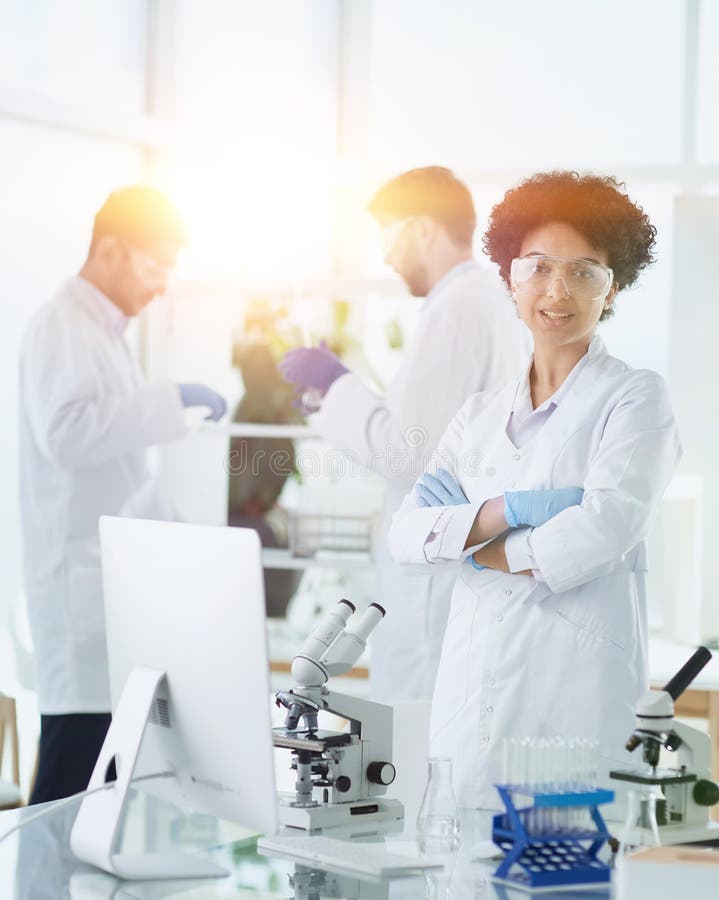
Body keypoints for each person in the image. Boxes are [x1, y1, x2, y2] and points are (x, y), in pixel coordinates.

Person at [388, 171, 681, 808]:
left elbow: (606, 527)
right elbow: (406, 535)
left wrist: (477, 542)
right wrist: (508, 512)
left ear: (614, 287)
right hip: (468, 707)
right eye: (539, 268)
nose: (557, 291)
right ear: (510, 277)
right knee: (458, 847)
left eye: (584, 272)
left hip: (571, 711)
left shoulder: (634, 398)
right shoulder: (477, 416)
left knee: (564, 858)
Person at [279, 166, 529, 701]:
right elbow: (431, 431)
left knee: (417, 728)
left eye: (387, 237)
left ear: (422, 229)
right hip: (459, 560)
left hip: (435, 582)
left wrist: (337, 384)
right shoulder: (486, 299)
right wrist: (336, 394)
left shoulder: (456, 309)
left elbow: (407, 451)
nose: (386, 257)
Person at [19, 186, 227, 804]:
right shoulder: (61, 323)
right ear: (110, 250)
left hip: (111, 592)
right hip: (78, 595)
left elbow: (127, 475)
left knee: (100, 794)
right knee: (69, 788)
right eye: (154, 265)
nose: (161, 284)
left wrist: (193, 544)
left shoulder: (104, 333)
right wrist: (170, 399)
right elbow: (66, 433)